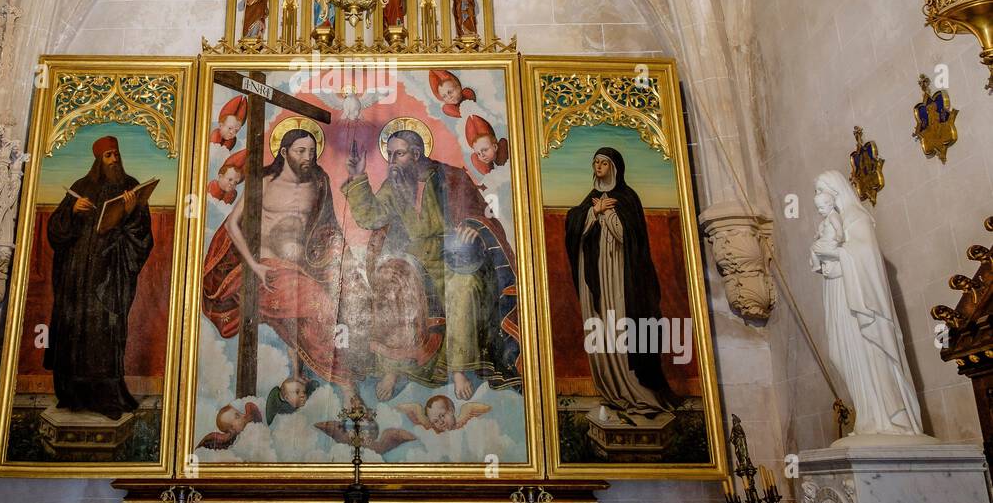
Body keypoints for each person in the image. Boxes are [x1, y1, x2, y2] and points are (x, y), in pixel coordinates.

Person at [343, 130, 520, 401]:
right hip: (415, 257)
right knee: (394, 284)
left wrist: (474, 227)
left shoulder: (451, 177)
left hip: (453, 257)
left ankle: (458, 368)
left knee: (463, 287)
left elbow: (480, 211)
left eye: (398, 154)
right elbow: (371, 217)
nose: (391, 160)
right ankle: (393, 367)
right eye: (389, 154)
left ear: (415, 154)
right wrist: (357, 178)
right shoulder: (395, 185)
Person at [201, 130, 365, 396]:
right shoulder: (264, 182)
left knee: (337, 305)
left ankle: (301, 378)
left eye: (312, 152)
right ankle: (346, 385)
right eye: (301, 151)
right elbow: (232, 224)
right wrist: (255, 267)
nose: (308, 157)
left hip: (304, 269)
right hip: (268, 269)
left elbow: (328, 227)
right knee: (321, 309)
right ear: (284, 151)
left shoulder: (318, 182)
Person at [44, 135, 154, 419]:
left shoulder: (130, 186)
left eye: (116, 154)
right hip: (77, 277)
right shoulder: (82, 187)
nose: (114, 159)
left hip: (111, 276)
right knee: (76, 331)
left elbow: (142, 236)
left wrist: (130, 212)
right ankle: (73, 395)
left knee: (107, 333)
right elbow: (55, 231)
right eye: (108, 155)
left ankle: (107, 397)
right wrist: (72, 210)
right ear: (98, 160)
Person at [563, 147, 673, 419]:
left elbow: (631, 237)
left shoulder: (627, 198)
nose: (599, 166)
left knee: (623, 327)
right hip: (597, 276)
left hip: (621, 278)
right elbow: (573, 225)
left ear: (615, 168)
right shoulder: (591, 199)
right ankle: (613, 391)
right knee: (602, 328)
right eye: (596, 162)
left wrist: (606, 215)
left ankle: (638, 394)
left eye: (604, 162)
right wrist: (593, 212)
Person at [811, 171, 924, 437]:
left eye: (819, 190)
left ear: (835, 191)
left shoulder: (856, 217)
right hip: (840, 293)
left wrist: (831, 252)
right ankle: (868, 418)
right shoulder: (830, 221)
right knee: (841, 353)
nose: (817, 197)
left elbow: (866, 256)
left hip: (861, 300)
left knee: (869, 352)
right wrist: (820, 256)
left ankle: (888, 418)